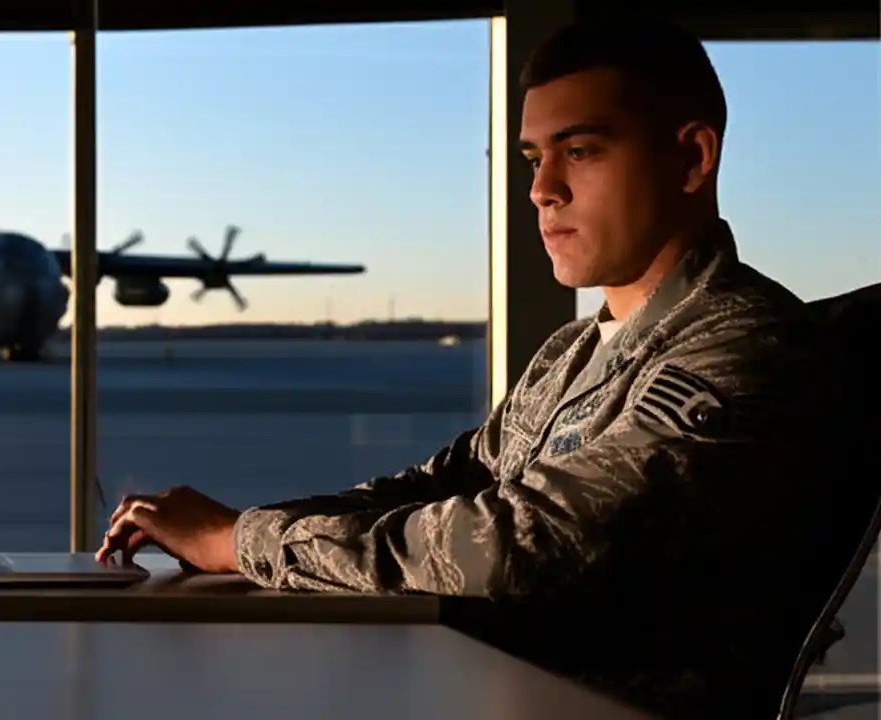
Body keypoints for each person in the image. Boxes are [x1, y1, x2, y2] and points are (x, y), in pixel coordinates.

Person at [97, 13, 837, 715]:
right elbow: (438, 486)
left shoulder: (742, 348)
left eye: (580, 151)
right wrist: (236, 533)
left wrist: (241, 542)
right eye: (534, 158)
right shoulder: (574, 353)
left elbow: (516, 543)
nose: (542, 190)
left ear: (692, 158)